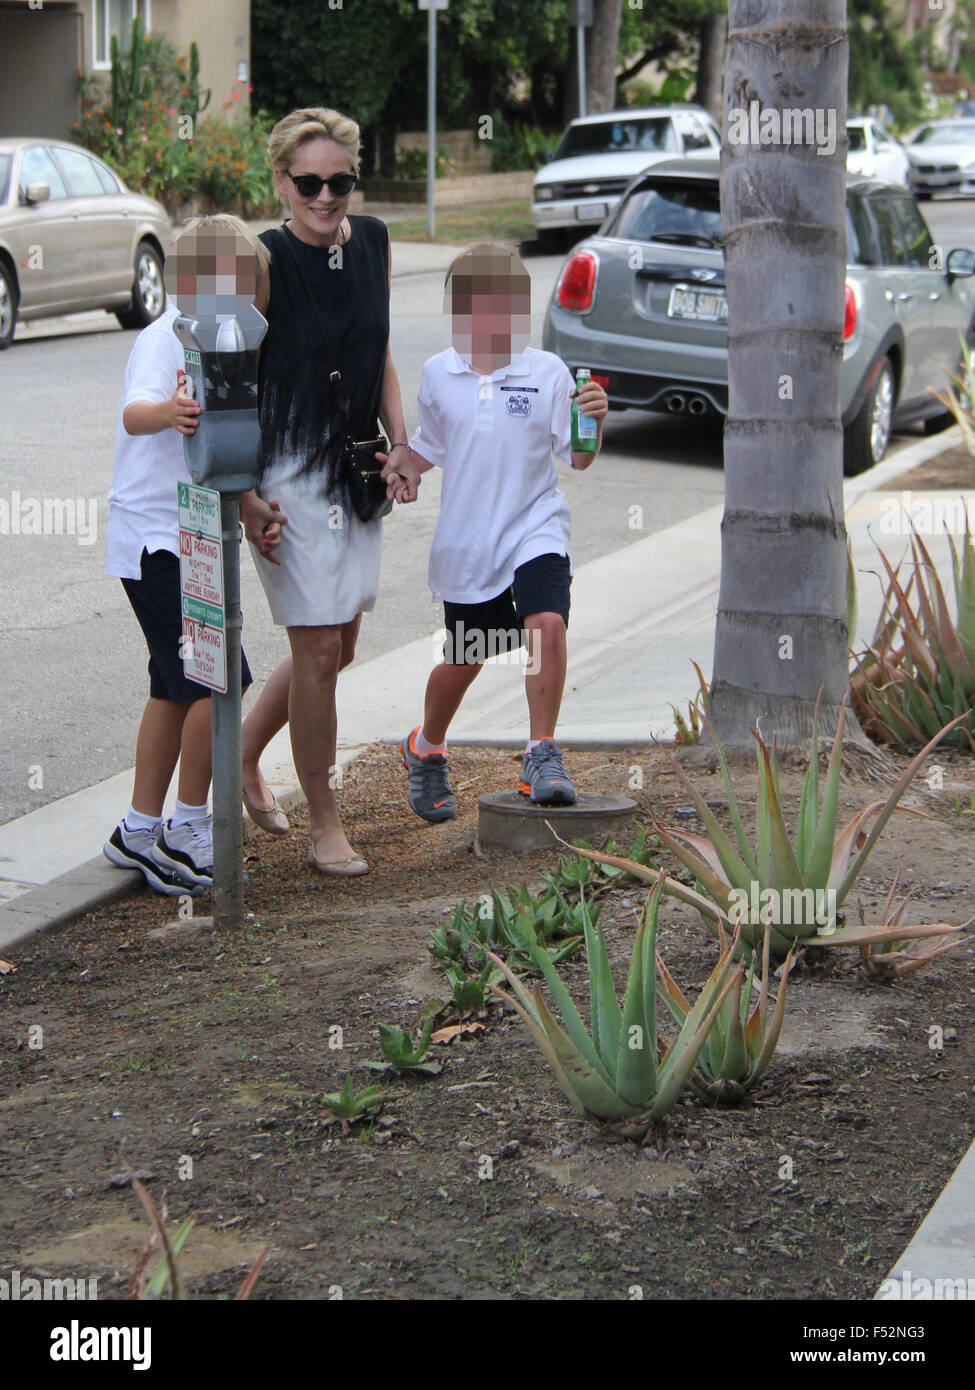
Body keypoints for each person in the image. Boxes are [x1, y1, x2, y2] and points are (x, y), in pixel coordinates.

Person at [239, 107, 418, 875]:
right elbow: (229, 383)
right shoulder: (263, 260)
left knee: (340, 643)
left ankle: (240, 757)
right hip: (284, 479)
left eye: (338, 180)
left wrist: (402, 442)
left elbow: (377, 352)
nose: (324, 195)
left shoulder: (373, 242)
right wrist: (242, 493)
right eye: (308, 182)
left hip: (355, 472)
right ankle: (324, 822)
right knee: (314, 649)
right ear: (281, 181)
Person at [399, 242, 608, 821]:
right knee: (468, 655)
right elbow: (431, 446)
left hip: (534, 526)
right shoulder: (438, 373)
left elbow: (579, 459)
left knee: (546, 622)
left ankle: (541, 754)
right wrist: (403, 471)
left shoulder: (547, 372)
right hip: (469, 544)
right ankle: (427, 747)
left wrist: (594, 419)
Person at [103, 215, 271, 894]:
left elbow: (226, 433)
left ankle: (138, 830)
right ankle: (190, 825)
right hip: (153, 538)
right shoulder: (164, 334)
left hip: (192, 532)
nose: (246, 293)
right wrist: (168, 412)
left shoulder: (220, 336)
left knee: (174, 687)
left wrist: (250, 504)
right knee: (215, 675)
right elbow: (134, 412)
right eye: (235, 280)